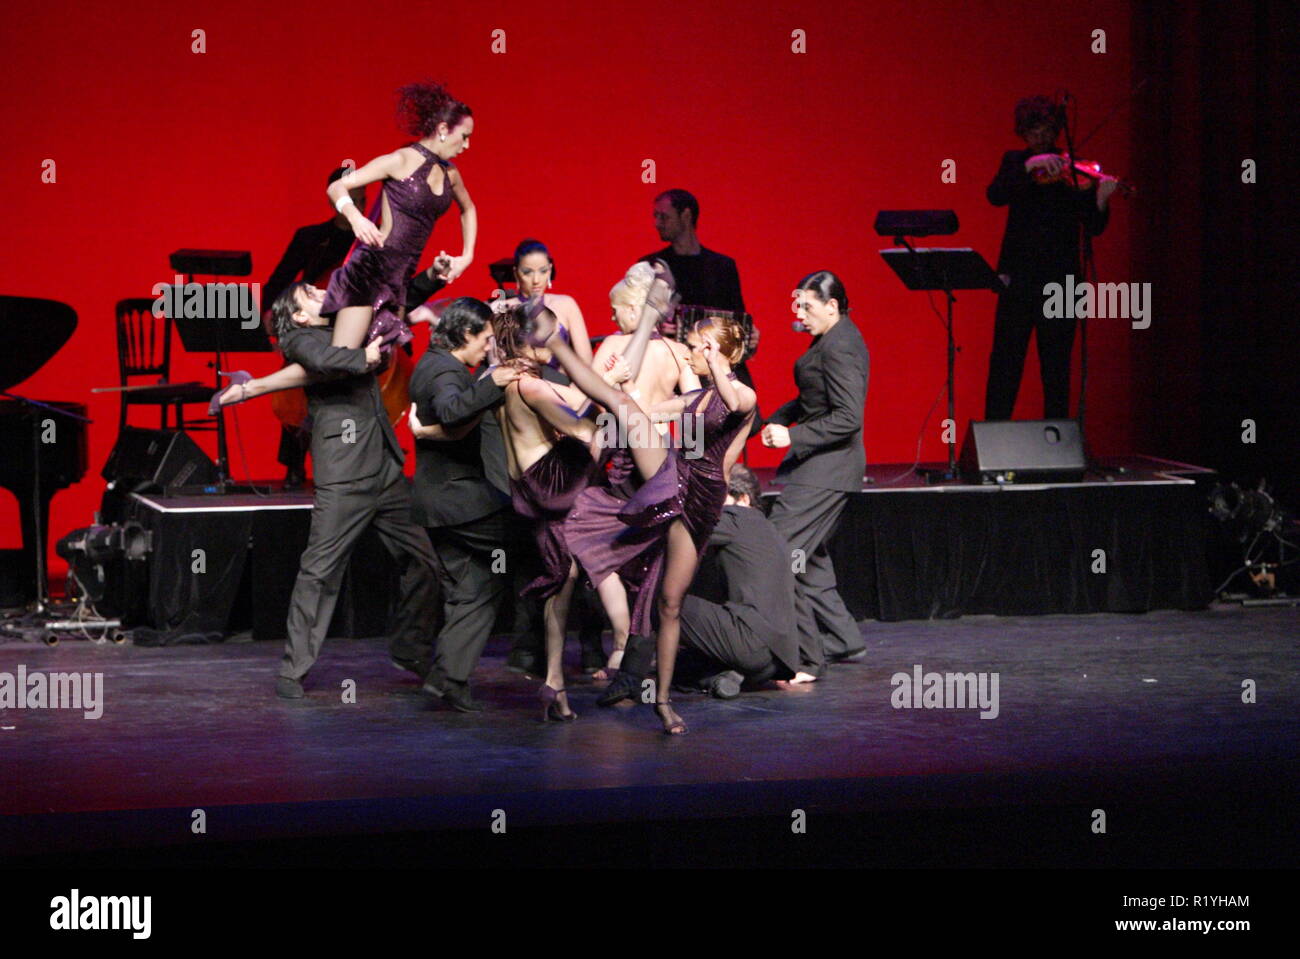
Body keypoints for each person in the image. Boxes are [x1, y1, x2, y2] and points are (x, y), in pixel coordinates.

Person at [534, 271, 757, 735]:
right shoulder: (697, 395)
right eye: (695, 348)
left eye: (699, 347)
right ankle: (556, 345)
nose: (690, 353)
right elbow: (648, 410)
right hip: (671, 474)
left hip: (701, 500)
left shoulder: (743, 396)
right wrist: (618, 405)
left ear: (721, 353)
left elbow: (733, 398)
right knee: (620, 402)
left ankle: (665, 702)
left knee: (670, 604)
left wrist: (716, 363)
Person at [211, 80, 476, 410]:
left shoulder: (450, 174)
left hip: (396, 280)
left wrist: (467, 256)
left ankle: (251, 386)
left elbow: (468, 209)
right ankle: (250, 387)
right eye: (463, 136)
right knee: (347, 360)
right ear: (441, 129)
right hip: (368, 271)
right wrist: (355, 217)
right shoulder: (401, 160)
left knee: (367, 362)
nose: (466, 145)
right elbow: (339, 187)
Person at [270, 282, 442, 699]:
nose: (320, 293)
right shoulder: (300, 338)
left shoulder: (351, 323)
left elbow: (388, 294)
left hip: (384, 468)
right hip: (344, 474)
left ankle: (410, 647)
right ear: (299, 315)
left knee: (427, 562)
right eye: (309, 294)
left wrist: (433, 279)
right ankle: (293, 670)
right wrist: (362, 357)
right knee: (320, 572)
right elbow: (324, 360)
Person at [484, 304, 636, 719]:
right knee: (624, 548)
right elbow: (580, 425)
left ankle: (555, 683)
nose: (560, 339)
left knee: (562, 583)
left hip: (534, 493)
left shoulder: (510, 381)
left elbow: (569, 399)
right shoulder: (530, 388)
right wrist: (616, 401)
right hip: (556, 488)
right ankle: (628, 656)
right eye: (552, 333)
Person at [408, 298, 520, 712]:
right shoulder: (444, 370)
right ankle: (540, 658)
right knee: (524, 544)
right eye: (486, 339)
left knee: (473, 587)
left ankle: (448, 678)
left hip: (437, 507)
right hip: (460, 503)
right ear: (466, 334)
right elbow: (453, 409)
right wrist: (496, 381)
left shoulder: (436, 362)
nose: (489, 347)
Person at [761, 270, 868, 673]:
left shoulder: (840, 346)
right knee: (809, 557)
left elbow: (847, 417)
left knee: (779, 547)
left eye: (807, 306)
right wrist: (776, 418)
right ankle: (843, 639)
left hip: (829, 468)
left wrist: (793, 436)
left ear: (832, 306)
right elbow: (816, 398)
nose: (799, 313)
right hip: (822, 464)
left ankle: (805, 654)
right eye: (798, 305)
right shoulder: (832, 339)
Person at [984, 94, 1117, 420]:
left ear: (1056, 130)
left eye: (1046, 132)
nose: (1041, 139)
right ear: (1023, 134)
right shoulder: (1015, 162)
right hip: (1017, 277)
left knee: (1056, 367)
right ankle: (994, 438)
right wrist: (1030, 167)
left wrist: (1101, 198)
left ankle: (1057, 446)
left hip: (1062, 281)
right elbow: (996, 195)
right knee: (1006, 362)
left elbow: (1094, 226)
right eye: (1033, 133)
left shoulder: (1075, 168)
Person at [261, 166, 368, 488]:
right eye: (352, 199)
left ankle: (365, 457)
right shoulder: (311, 238)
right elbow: (279, 281)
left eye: (363, 199)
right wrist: (272, 317)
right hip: (315, 322)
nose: (359, 207)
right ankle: (294, 463)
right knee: (296, 388)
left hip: (361, 325)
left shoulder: (374, 237)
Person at [673, 465, 806, 697]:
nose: (713, 508)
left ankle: (629, 672)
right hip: (775, 660)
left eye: (717, 499)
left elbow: (688, 529)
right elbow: (799, 597)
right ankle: (727, 676)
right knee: (682, 665)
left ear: (742, 499)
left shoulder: (738, 517)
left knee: (660, 601)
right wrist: (811, 662)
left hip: (750, 642)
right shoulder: (772, 532)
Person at [641, 189, 744, 314]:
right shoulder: (650, 265)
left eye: (664, 216)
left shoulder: (723, 267)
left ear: (686, 215)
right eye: (656, 216)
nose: (657, 223)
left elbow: (737, 320)